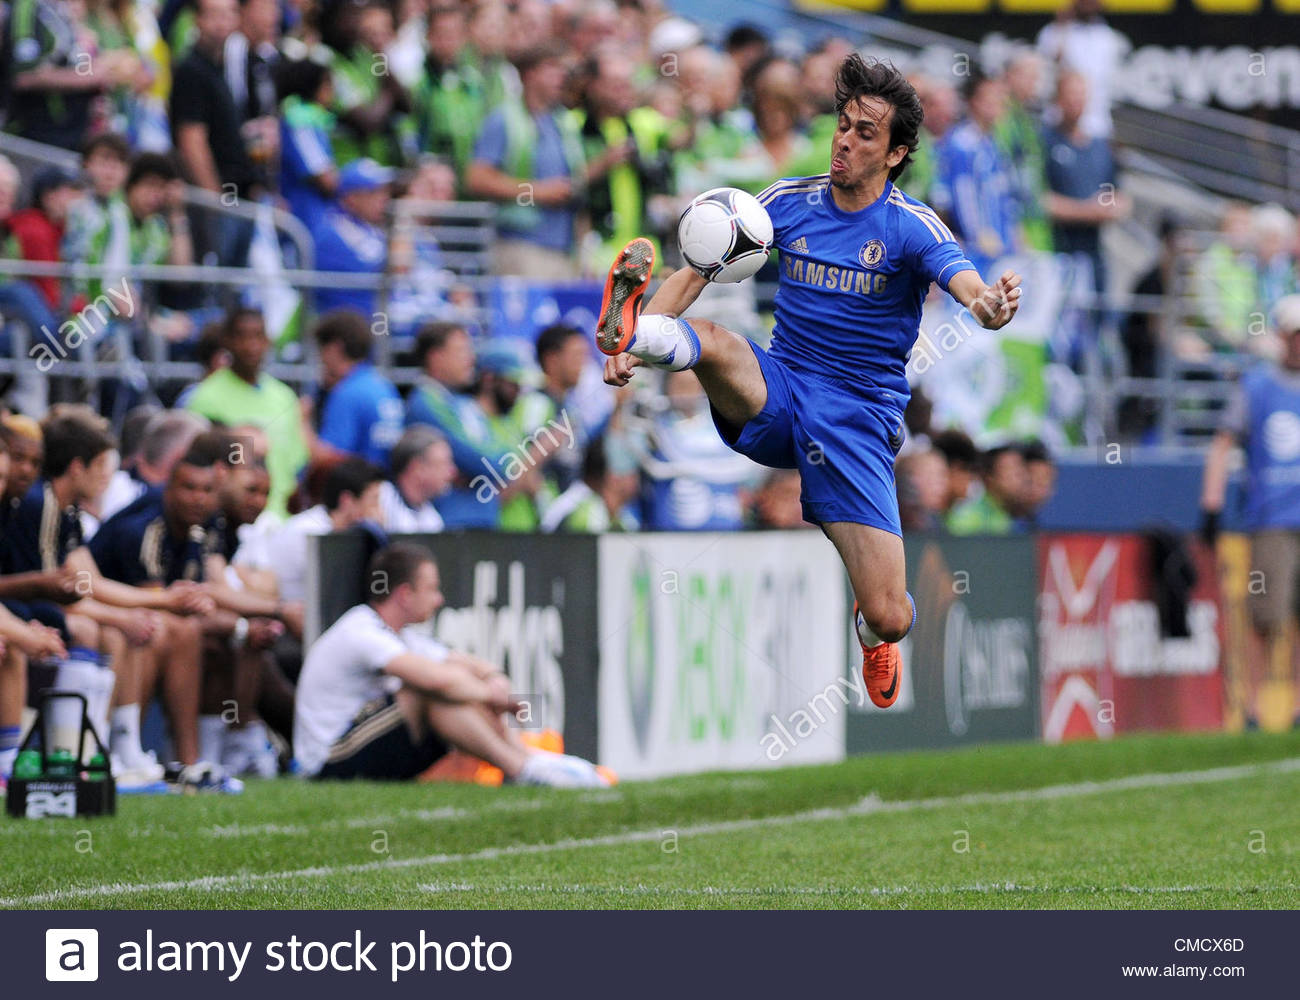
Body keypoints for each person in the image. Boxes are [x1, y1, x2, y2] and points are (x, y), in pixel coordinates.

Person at [596, 56, 1022, 708]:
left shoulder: (909, 225)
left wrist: (986, 305)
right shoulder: (786, 202)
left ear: (897, 152)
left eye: (865, 134)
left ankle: (869, 631)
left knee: (892, 614)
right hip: (784, 391)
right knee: (715, 342)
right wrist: (635, 342)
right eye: (843, 125)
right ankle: (630, 332)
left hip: (856, 421)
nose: (845, 141)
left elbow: (961, 278)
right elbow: (697, 268)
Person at [294, 541, 609, 785]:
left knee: (455, 683)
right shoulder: (360, 629)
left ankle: (526, 761)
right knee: (428, 690)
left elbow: (462, 664)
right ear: (405, 594)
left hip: (363, 748)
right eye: (432, 589)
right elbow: (436, 681)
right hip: (327, 760)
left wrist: (494, 678)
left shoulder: (404, 635)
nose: (439, 599)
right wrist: (493, 696)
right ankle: (522, 767)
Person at [1201, 294, 1300, 730]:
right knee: (1267, 615)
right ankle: (1260, 705)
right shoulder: (1257, 387)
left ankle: (1295, 706)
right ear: (1281, 336)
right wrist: (1211, 504)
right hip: (1271, 518)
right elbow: (1223, 444)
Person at [466, 42, 586, 279]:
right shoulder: (502, 119)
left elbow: (575, 183)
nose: (561, 76)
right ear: (529, 74)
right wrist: (538, 192)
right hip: (520, 246)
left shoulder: (563, 121)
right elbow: (476, 178)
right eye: (552, 68)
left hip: (564, 249)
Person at [186, 307, 309, 517]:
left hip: (280, 522)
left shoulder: (284, 396)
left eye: (258, 336)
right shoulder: (205, 397)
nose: (251, 346)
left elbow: (295, 467)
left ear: (268, 341)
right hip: (231, 522)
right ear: (227, 341)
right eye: (242, 337)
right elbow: (200, 466)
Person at [932, 70, 1019, 277]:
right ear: (975, 102)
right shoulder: (962, 144)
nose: (998, 105)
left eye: (1000, 99)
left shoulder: (992, 144)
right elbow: (961, 196)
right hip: (976, 252)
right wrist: (978, 236)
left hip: (999, 248)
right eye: (991, 99)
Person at [309, 309, 404, 467]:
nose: (321, 360)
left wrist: (302, 422)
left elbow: (327, 459)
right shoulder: (384, 386)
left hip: (359, 487)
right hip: (381, 484)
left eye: (322, 351)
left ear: (335, 348)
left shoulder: (347, 393)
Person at [312, 159, 393, 319]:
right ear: (351, 198)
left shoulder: (368, 227)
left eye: (384, 191)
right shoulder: (331, 231)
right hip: (352, 322)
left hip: (377, 312)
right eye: (373, 192)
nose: (383, 199)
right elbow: (383, 272)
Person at [379, 426, 453, 533]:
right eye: (444, 463)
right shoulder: (380, 499)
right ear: (418, 468)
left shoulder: (432, 518)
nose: (452, 472)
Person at [946, 444, 1028, 536]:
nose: (1020, 476)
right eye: (1011, 469)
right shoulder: (967, 520)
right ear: (990, 477)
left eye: (1021, 467)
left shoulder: (1028, 515)